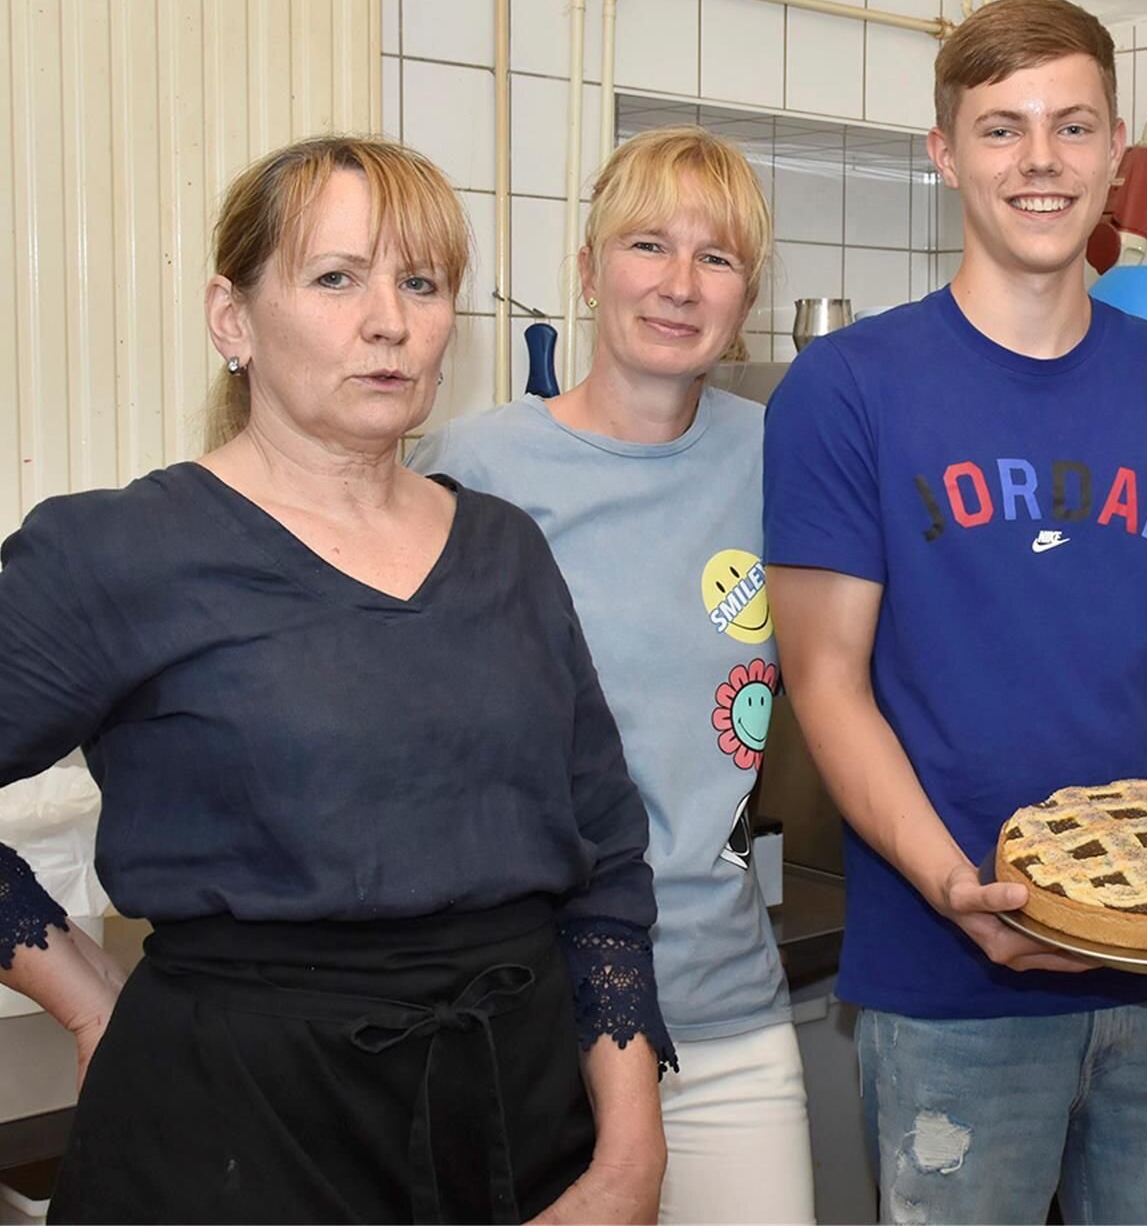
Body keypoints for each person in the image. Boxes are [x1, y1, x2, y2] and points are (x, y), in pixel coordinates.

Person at [759, 0, 1147, 1225]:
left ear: (1112, 158)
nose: (1041, 162)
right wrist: (951, 887)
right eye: (1002, 129)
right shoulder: (848, 390)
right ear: (945, 152)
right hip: (947, 981)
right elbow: (827, 681)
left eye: (1073, 127)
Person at [0, 136, 670, 1224]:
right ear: (233, 318)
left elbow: (605, 859)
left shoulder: (505, 549)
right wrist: (79, 993)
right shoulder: (118, 553)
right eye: (335, 278)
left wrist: (630, 1154)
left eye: (421, 283)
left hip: (518, 1118)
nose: (389, 322)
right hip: (233, 1136)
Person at [411, 125, 813, 1225]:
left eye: (717, 257)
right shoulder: (476, 470)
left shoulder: (781, 455)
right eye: (647, 245)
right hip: (530, 1016)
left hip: (725, 1000)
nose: (680, 284)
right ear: (587, 271)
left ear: (748, 295)